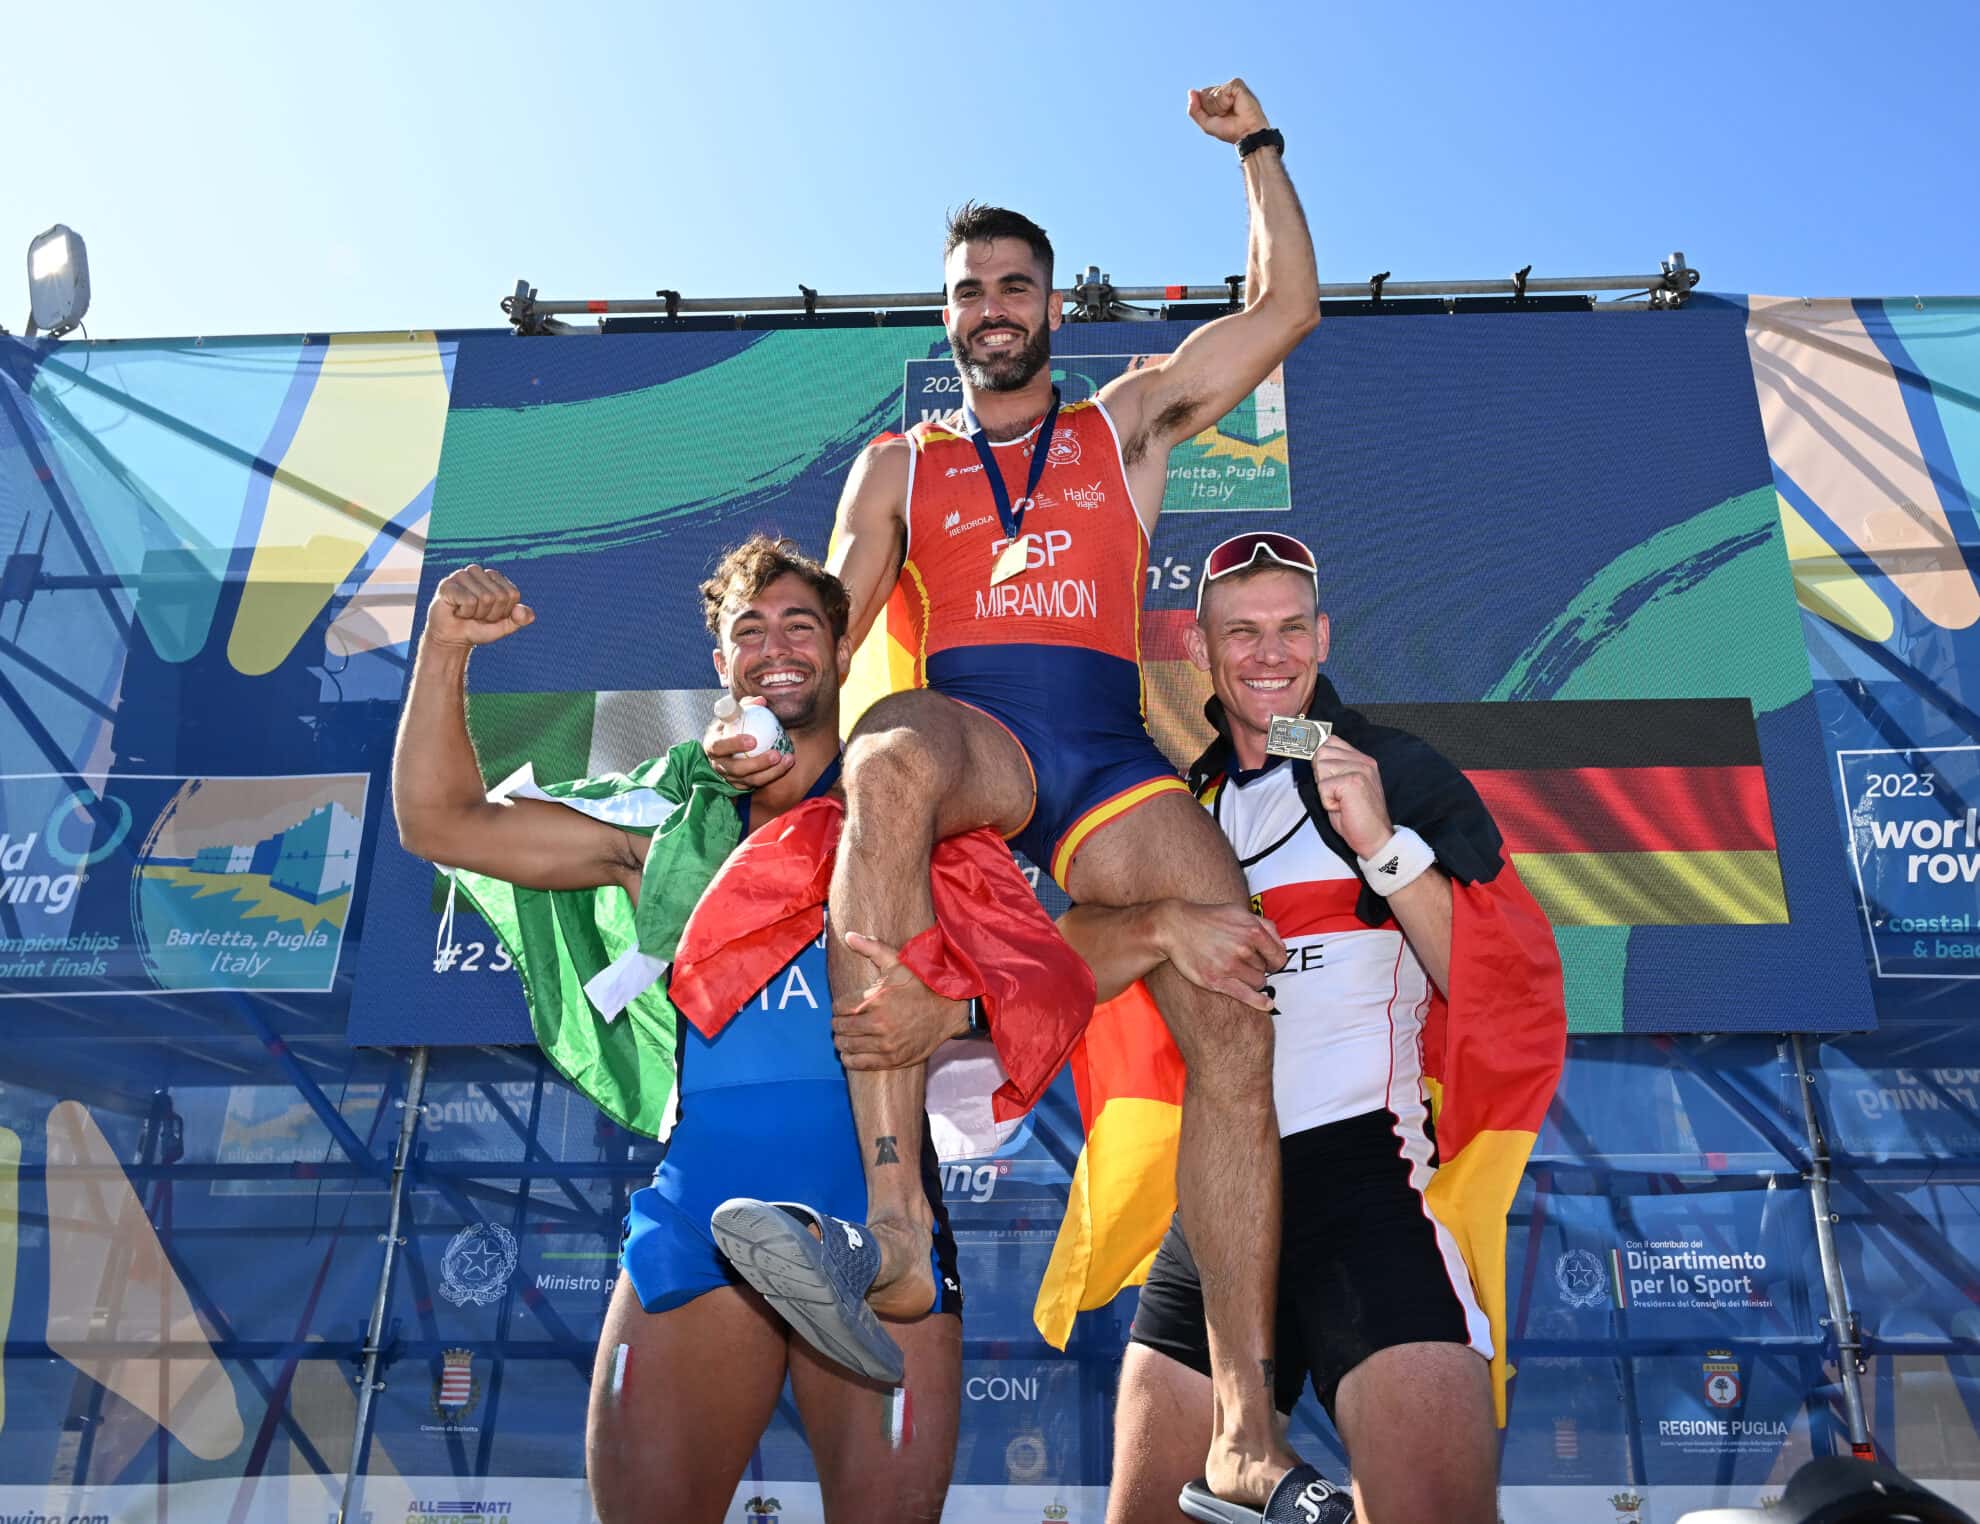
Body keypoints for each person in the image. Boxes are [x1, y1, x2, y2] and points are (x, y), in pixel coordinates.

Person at [713, 77, 1322, 1513]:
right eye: (968, 290)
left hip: (1103, 759)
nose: (992, 305)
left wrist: (1256, 148)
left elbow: (1286, 304)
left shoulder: (1128, 424)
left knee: (1234, 992)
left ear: (1054, 303)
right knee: (890, 752)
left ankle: (1243, 1431)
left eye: (1015, 284)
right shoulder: (900, 464)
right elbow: (833, 631)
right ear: (946, 319)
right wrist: (753, 724)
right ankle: (895, 1228)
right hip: (980, 744)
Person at [390, 540, 966, 1524]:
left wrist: (956, 1008)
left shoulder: (923, 818)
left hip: (878, 1216)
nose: (775, 648)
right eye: (751, 631)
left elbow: (1056, 967)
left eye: (800, 627)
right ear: (721, 665)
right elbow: (441, 825)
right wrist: (444, 650)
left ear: (840, 652)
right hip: (704, 1210)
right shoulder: (667, 833)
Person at [1055, 530, 1565, 1524]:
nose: (1270, 653)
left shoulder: (1397, 770)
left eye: (1291, 627)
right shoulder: (1175, 807)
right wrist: (1160, 923)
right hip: (1212, 1204)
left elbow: (1490, 983)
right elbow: (1055, 972)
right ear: (1200, 648)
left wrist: (1380, 842)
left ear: (1324, 636)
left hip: (1365, 1186)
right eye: (1241, 633)